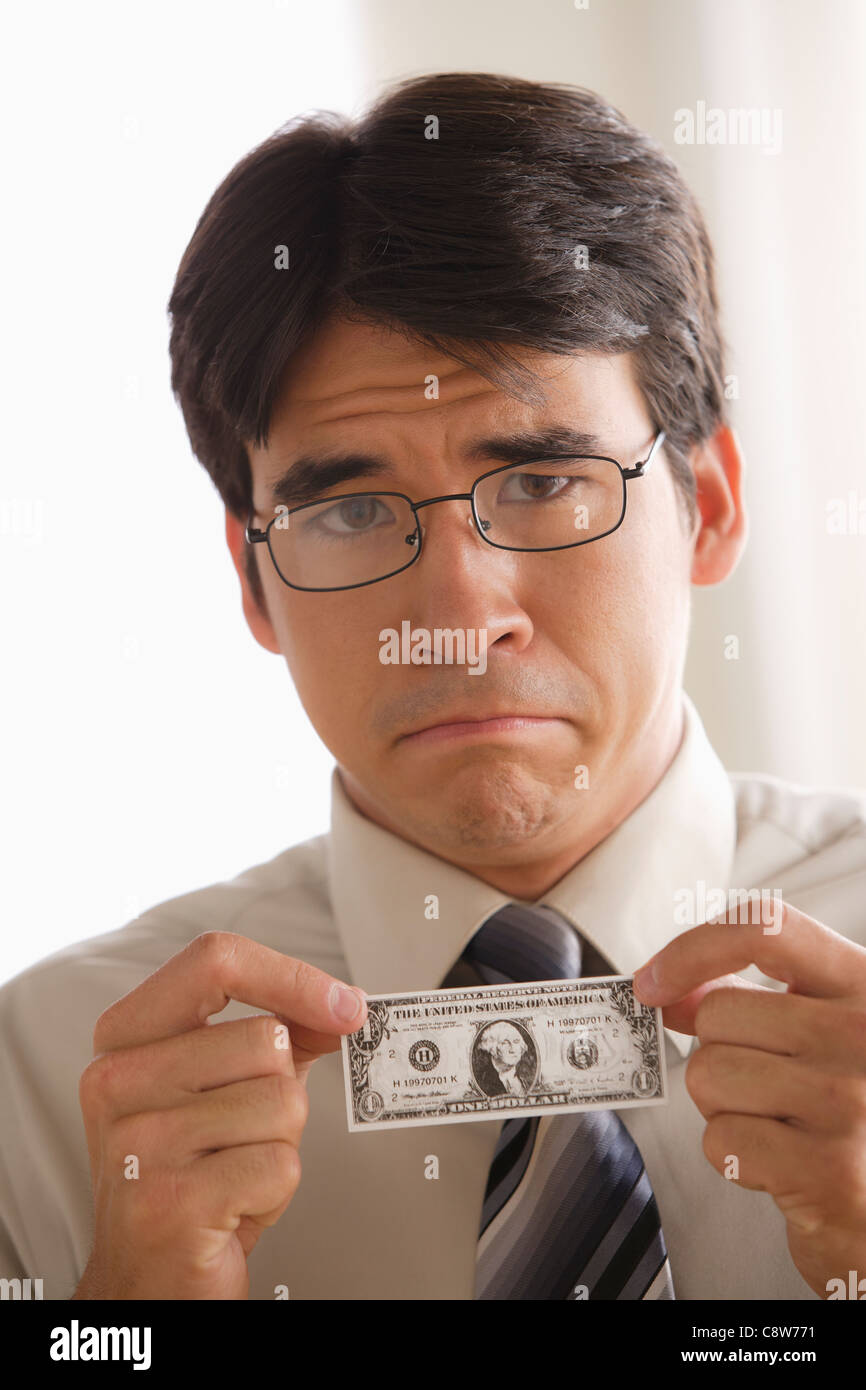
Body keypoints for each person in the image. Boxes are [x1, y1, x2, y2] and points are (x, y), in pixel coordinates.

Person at [1, 71, 865, 1302]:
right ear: (254, 587)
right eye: (349, 510)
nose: (458, 620)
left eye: (543, 482)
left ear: (708, 508)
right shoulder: (43, 1084)